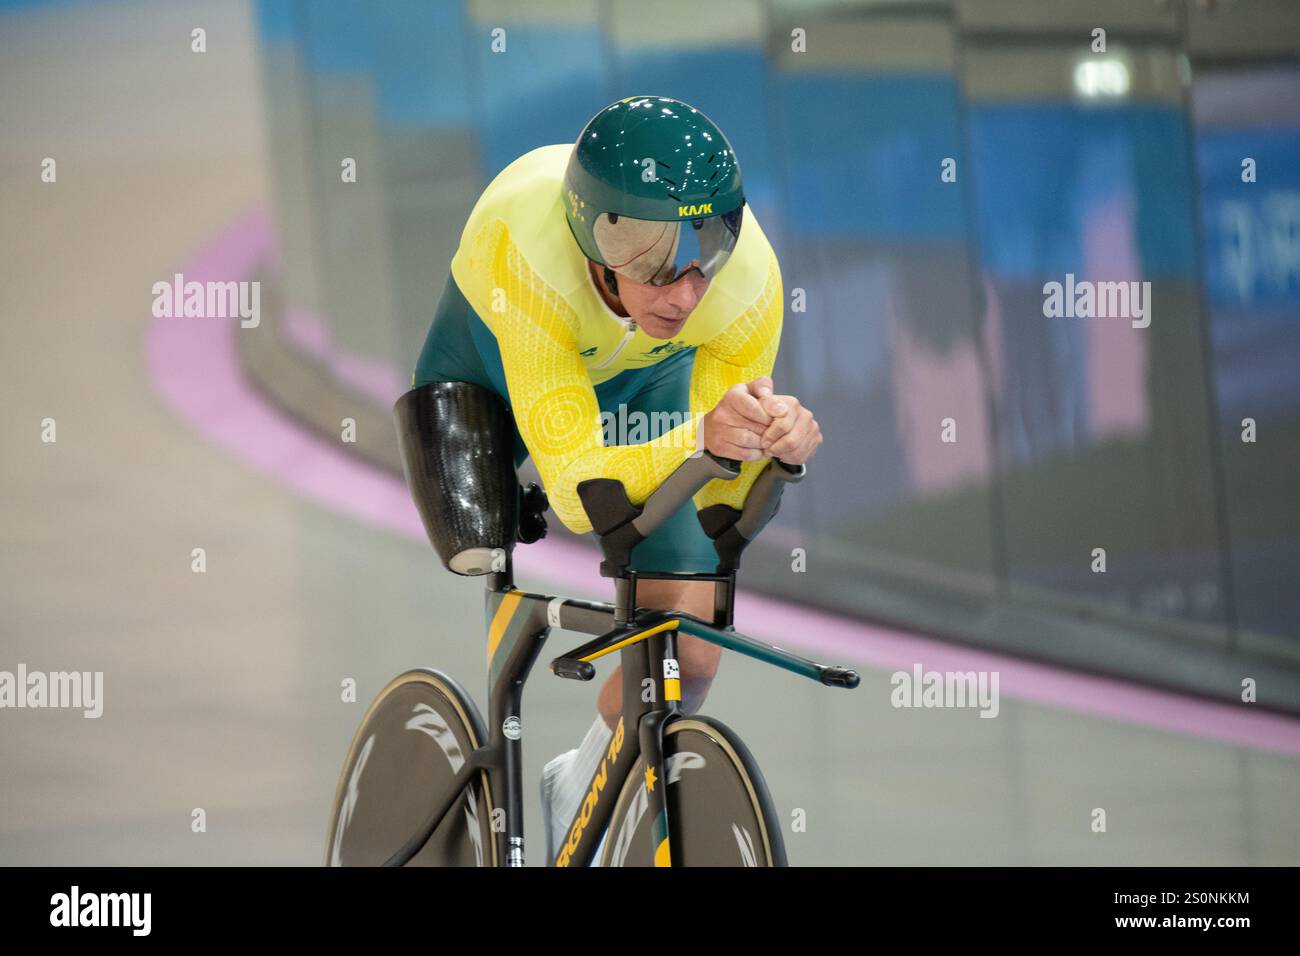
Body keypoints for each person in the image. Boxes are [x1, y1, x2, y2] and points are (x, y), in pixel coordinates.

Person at [412, 95, 822, 864]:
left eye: (706, 254)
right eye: (659, 269)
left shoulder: (747, 284)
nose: (688, 293)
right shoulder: (531, 254)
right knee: (475, 543)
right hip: (493, 364)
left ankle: (582, 783)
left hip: (640, 382)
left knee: (687, 655)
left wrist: (775, 446)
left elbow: (714, 500)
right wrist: (699, 438)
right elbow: (576, 496)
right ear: (596, 249)